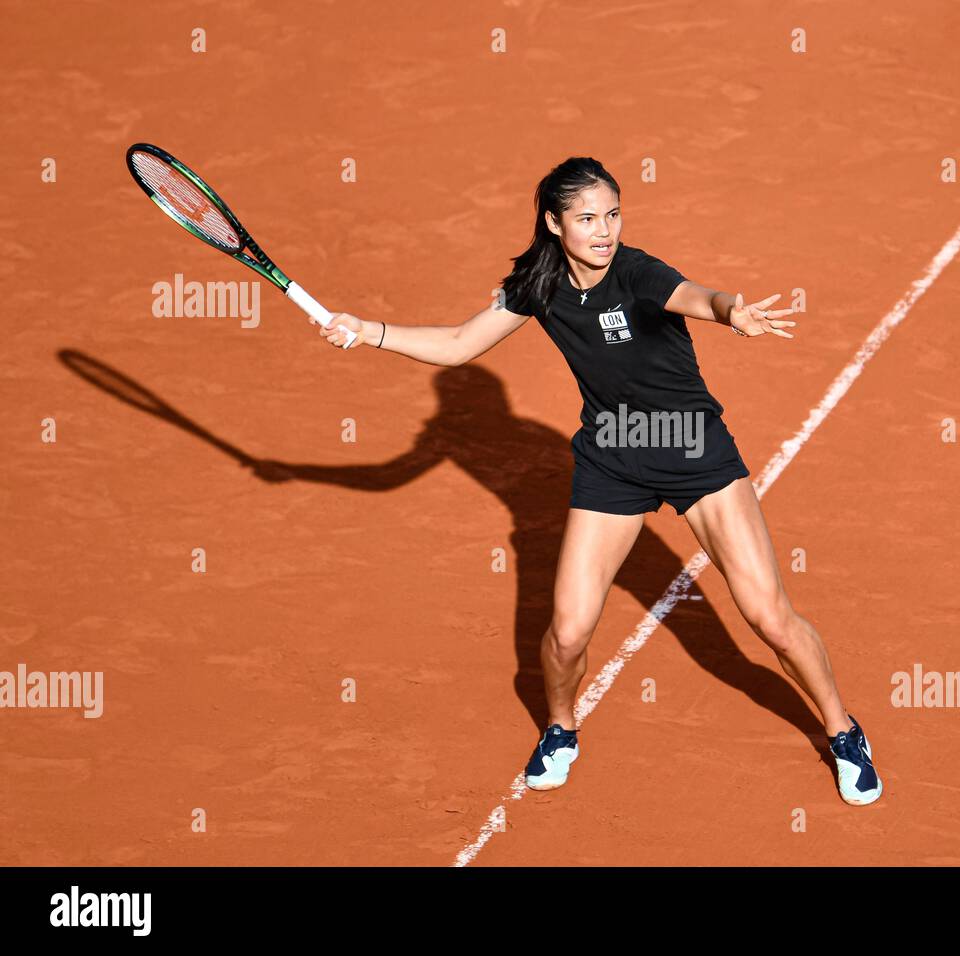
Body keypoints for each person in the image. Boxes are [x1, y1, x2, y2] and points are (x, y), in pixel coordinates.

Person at [318, 157, 882, 806]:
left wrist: (731, 312)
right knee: (566, 632)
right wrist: (369, 332)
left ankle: (843, 731)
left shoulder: (637, 272)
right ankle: (560, 729)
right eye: (587, 218)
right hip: (612, 458)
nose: (604, 230)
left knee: (768, 616)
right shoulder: (538, 284)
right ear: (555, 224)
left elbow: (696, 296)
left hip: (693, 452)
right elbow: (456, 342)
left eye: (612, 214)